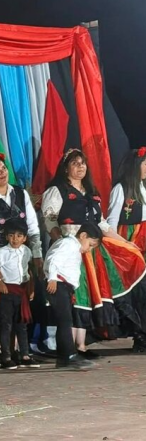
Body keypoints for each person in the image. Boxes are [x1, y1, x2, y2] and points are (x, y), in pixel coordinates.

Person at [41, 148, 145, 357]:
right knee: (75, 296)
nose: (81, 167)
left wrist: (126, 243)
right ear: (66, 167)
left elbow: (103, 224)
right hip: (71, 247)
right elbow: (49, 219)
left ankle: (81, 345)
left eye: (83, 163)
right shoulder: (57, 190)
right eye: (75, 163)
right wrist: (64, 244)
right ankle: (69, 347)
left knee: (89, 296)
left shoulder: (91, 193)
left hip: (93, 251)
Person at [0, 152, 43, 366]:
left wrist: (37, 255)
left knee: (21, 303)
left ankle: (20, 350)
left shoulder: (20, 194)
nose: (1, 173)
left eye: (3, 169)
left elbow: (32, 227)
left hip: (22, 255)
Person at [44, 223, 103, 369]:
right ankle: (69, 355)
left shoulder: (73, 247)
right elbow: (53, 259)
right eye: (90, 244)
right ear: (83, 236)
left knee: (64, 321)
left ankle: (63, 358)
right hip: (58, 283)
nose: (89, 249)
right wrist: (52, 278)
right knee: (65, 321)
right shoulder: (68, 244)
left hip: (65, 286)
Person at [107, 147, 146, 352]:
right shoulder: (121, 189)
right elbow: (111, 224)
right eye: (145, 163)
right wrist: (124, 247)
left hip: (142, 246)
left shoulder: (143, 187)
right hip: (128, 248)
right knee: (137, 294)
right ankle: (140, 336)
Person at [0, 220, 39, 370]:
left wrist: (31, 288)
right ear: (7, 237)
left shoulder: (26, 251)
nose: (15, 239)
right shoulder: (1, 252)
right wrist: (0, 283)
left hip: (22, 291)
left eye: (19, 236)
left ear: (25, 238)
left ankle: (24, 354)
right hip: (8, 291)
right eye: (12, 235)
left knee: (22, 325)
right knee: (6, 325)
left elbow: (29, 271)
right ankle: (6, 356)